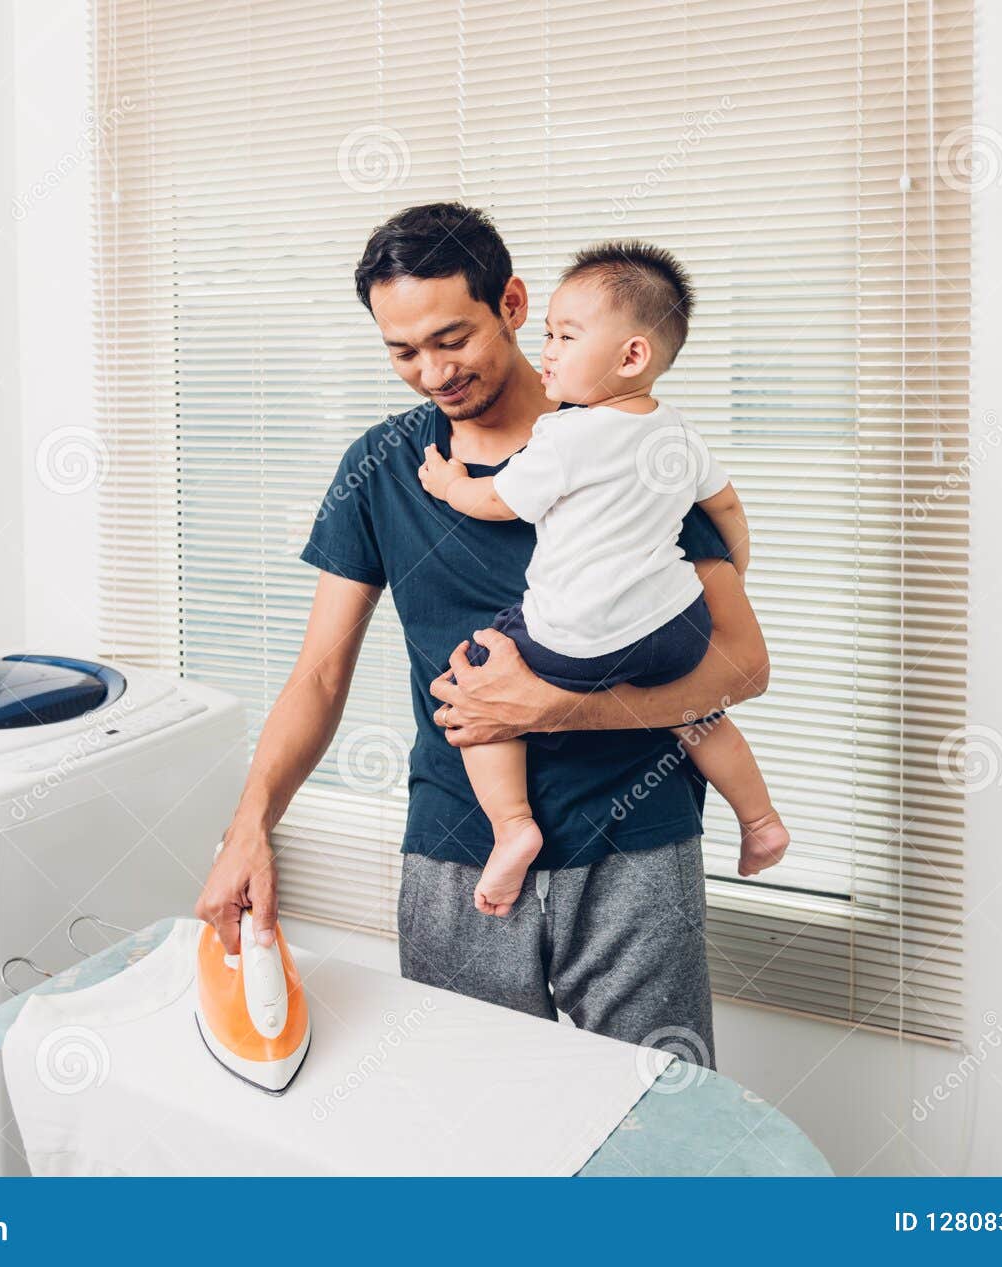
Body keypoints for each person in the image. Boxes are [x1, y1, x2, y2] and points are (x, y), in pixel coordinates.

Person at [195, 203, 785, 1064]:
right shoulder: (384, 468)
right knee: (466, 1128)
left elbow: (741, 665)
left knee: (658, 1123)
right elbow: (320, 675)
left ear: (511, 303)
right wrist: (248, 828)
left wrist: (550, 708)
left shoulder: (625, 447)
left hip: (636, 846)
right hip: (456, 853)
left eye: (452, 338)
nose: (432, 372)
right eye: (402, 352)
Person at [417, 240, 790, 918]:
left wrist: (449, 484)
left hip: (578, 638)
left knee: (474, 679)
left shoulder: (563, 437)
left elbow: (497, 500)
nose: (548, 350)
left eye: (565, 335)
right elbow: (729, 509)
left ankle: (511, 827)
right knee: (700, 716)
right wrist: (738, 565)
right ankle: (761, 820)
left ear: (631, 356)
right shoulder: (679, 433)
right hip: (676, 628)